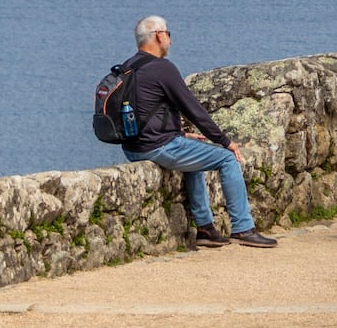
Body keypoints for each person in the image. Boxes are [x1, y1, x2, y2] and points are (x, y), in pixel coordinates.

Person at [118, 15, 276, 248]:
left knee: (195, 160)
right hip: (157, 147)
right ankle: (243, 228)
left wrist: (181, 135)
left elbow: (144, 113)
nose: (170, 40)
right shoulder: (162, 68)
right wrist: (225, 141)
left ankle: (206, 229)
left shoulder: (127, 67)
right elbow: (194, 110)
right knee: (227, 159)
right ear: (159, 36)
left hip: (133, 148)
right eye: (169, 34)